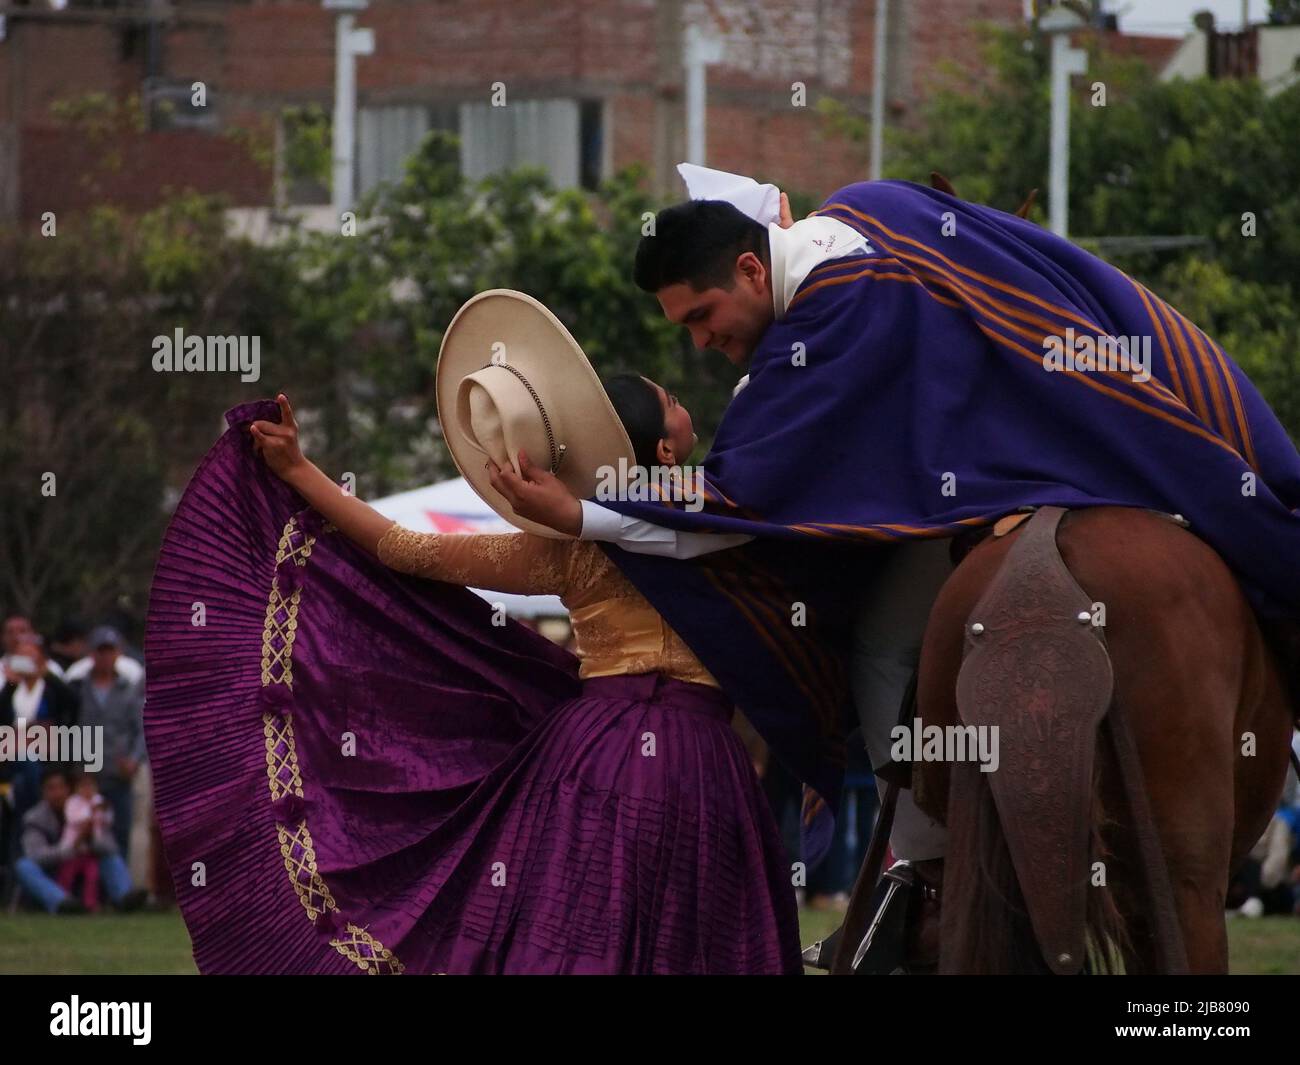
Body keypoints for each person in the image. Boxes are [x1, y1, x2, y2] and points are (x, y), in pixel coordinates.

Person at [486, 164, 1300, 968]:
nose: (703, 339)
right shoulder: (876, 209)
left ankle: (916, 860)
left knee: (879, 638)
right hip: (1105, 436)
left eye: (703, 314)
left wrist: (582, 514)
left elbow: (740, 505)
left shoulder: (826, 317)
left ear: (749, 267)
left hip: (1007, 479)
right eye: (687, 331)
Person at [144, 290, 800, 974]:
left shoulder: (577, 546)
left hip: (594, 758)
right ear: (667, 449)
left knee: (579, 943)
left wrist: (299, 470)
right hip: (700, 760)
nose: (683, 396)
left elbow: (404, 548)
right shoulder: (733, 526)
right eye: (671, 399)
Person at [14, 766, 146, 915]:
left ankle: (124, 898)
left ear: (70, 789)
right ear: (42, 792)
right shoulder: (34, 819)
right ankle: (62, 903)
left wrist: (91, 837)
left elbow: (111, 847)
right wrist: (72, 847)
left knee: (110, 856)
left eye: (61, 787)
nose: (57, 793)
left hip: (87, 869)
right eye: (51, 788)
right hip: (54, 874)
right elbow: (36, 856)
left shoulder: (90, 809)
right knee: (23, 866)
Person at [71, 627, 145, 858]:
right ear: (91, 653)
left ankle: (121, 891)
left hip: (118, 772)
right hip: (85, 775)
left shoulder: (129, 689)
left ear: (118, 653)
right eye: (100, 651)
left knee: (120, 831)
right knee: (84, 833)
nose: (104, 656)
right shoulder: (77, 688)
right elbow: (68, 727)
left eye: (109, 651)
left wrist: (134, 760)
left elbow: (141, 729)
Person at [55, 772, 114, 911]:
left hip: (91, 850)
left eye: (90, 786)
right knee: (66, 876)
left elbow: (108, 820)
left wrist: (102, 812)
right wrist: (91, 812)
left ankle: (90, 904)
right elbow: (73, 819)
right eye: (83, 786)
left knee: (93, 876)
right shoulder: (73, 802)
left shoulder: (99, 800)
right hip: (73, 849)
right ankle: (63, 901)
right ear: (77, 788)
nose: (87, 790)